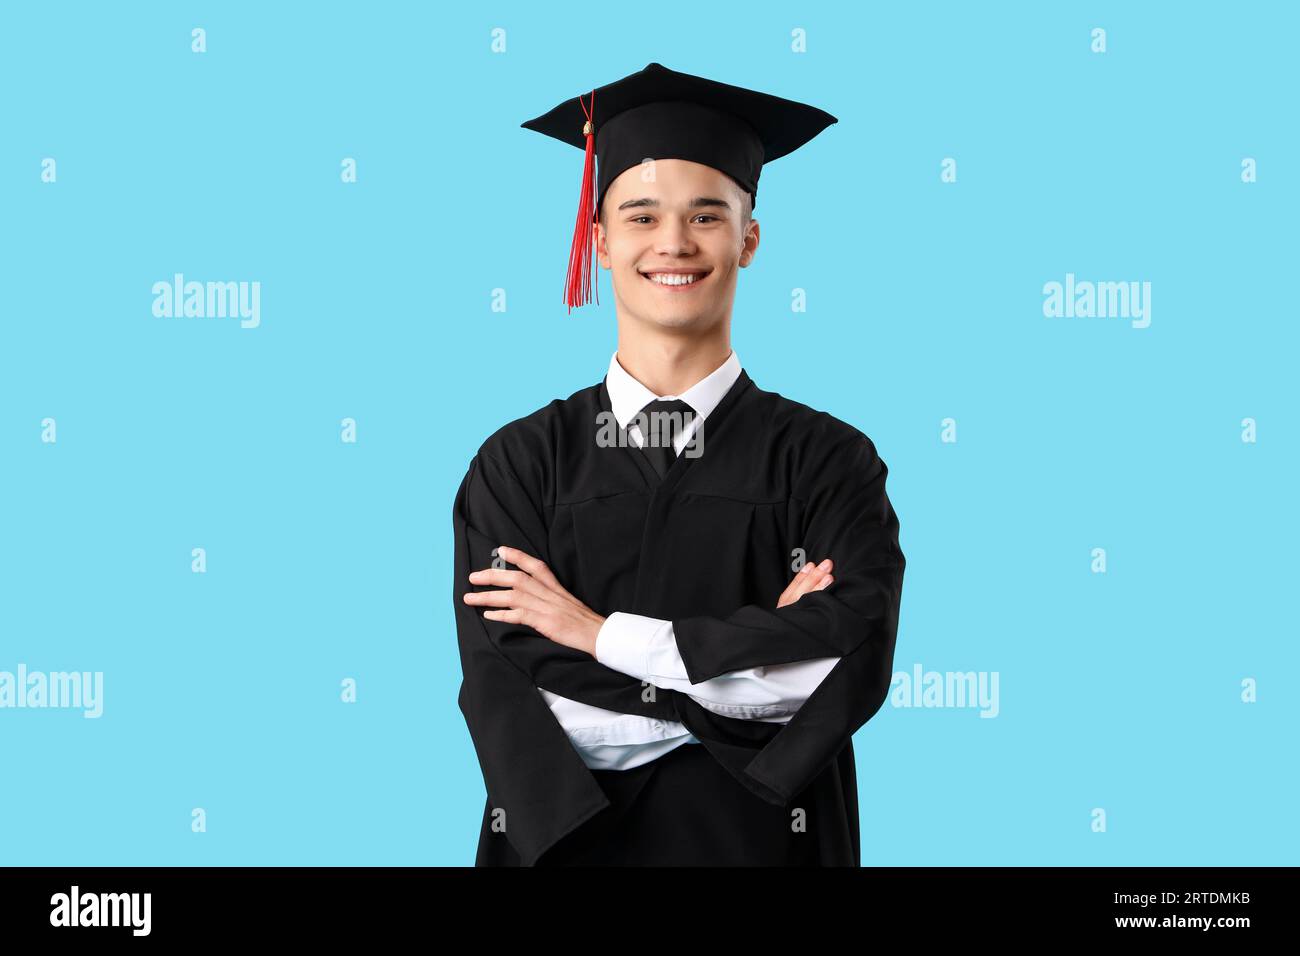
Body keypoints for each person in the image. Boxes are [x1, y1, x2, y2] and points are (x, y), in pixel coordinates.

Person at [452, 62, 906, 866]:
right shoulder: (520, 464)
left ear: (749, 238)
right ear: (599, 241)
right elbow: (507, 688)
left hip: (769, 847)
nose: (672, 243)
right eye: (640, 216)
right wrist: (749, 671)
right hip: (570, 849)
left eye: (706, 215)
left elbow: (845, 669)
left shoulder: (829, 462)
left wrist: (597, 636)